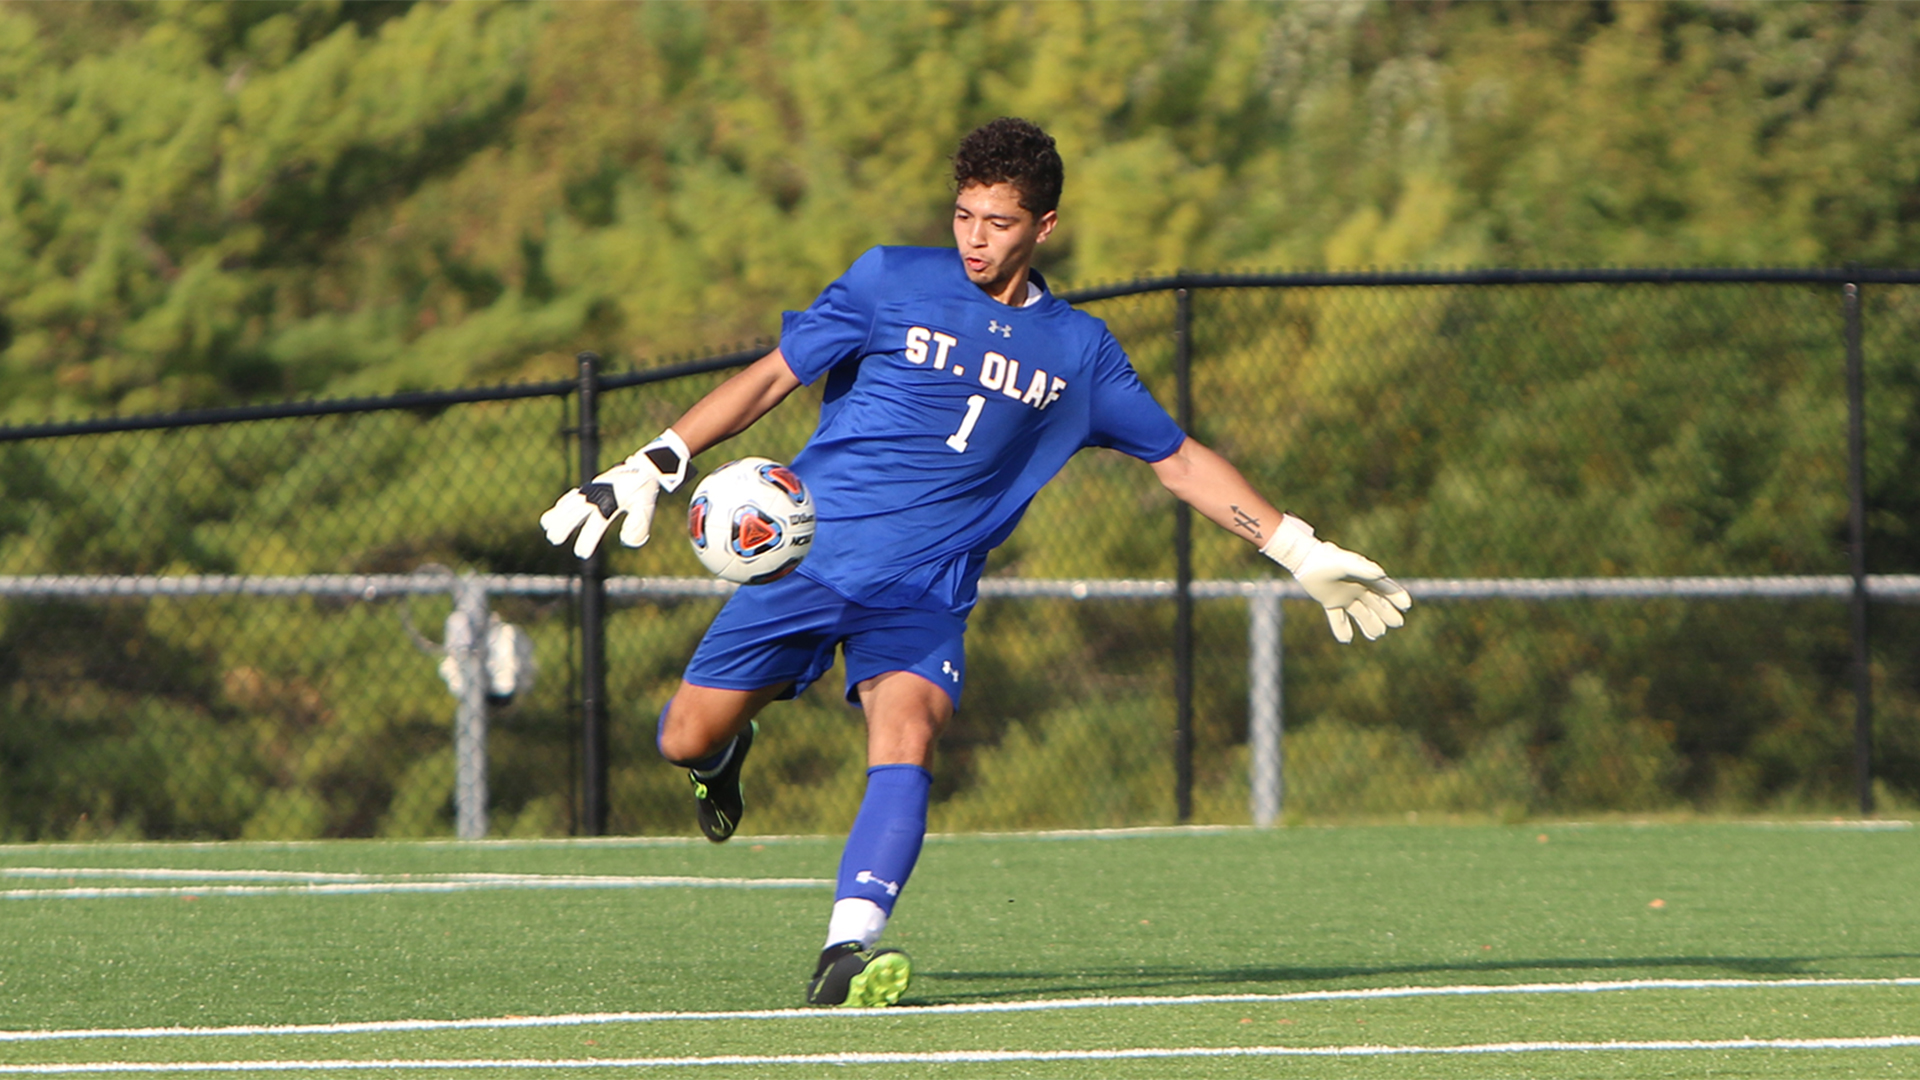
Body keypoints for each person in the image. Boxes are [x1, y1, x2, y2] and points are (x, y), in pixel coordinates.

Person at [540, 118, 1411, 1008]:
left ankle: (847, 948)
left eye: (998, 221)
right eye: (964, 215)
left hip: (926, 590)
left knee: (908, 736)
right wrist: (655, 460)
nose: (975, 237)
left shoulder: (1081, 353)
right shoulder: (889, 279)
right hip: (805, 561)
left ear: (1045, 227)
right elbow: (773, 376)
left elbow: (1178, 459)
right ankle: (722, 760)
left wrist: (1295, 547)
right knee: (684, 736)